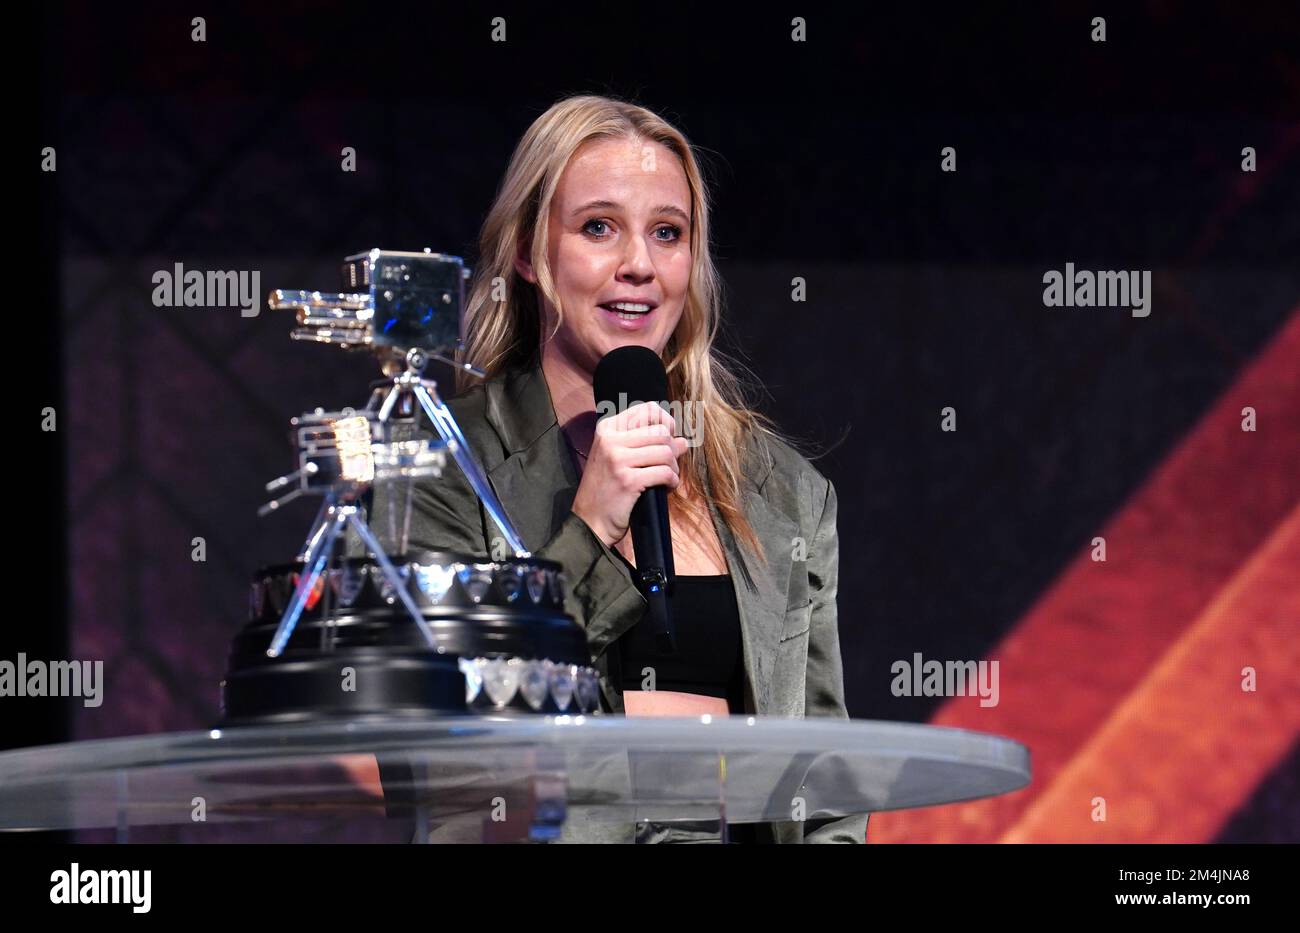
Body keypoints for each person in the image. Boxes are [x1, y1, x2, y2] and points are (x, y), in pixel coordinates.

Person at [380, 94, 868, 843]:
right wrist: (589, 529)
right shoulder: (440, 464)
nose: (638, 265)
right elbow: (434, 760)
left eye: (667, 233)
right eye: (598, 227)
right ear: (527, 251)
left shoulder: (784, 492)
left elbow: (826, 776)